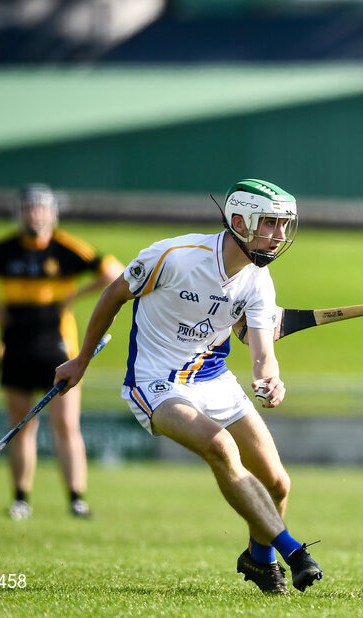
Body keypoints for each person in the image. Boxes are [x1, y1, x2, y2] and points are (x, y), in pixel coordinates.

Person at [54, 179, 322, 595]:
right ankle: (292, 550)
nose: (279, 235)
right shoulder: (174, 256)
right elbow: (113, 295)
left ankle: (260, 559)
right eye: (270, 223)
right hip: (156, 382)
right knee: (221, 449)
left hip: (213, 379)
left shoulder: (257, 281)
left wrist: (269, 378)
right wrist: (81, 360)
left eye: (284, 225)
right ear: (239, 221)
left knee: (277, 483)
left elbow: (262, 349)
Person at [0, 184, 122, 520]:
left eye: (41, 207)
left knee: (66, 426)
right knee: (20, 426)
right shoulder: (3, 250)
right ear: (19, 213)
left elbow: (113, 272)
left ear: (52, 213)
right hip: (15, 345)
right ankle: (21, 499)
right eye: (28, 208)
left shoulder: (65, 247)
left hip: (58, 347)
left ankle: (76, 499)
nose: (35, 214)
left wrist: (73, 297)